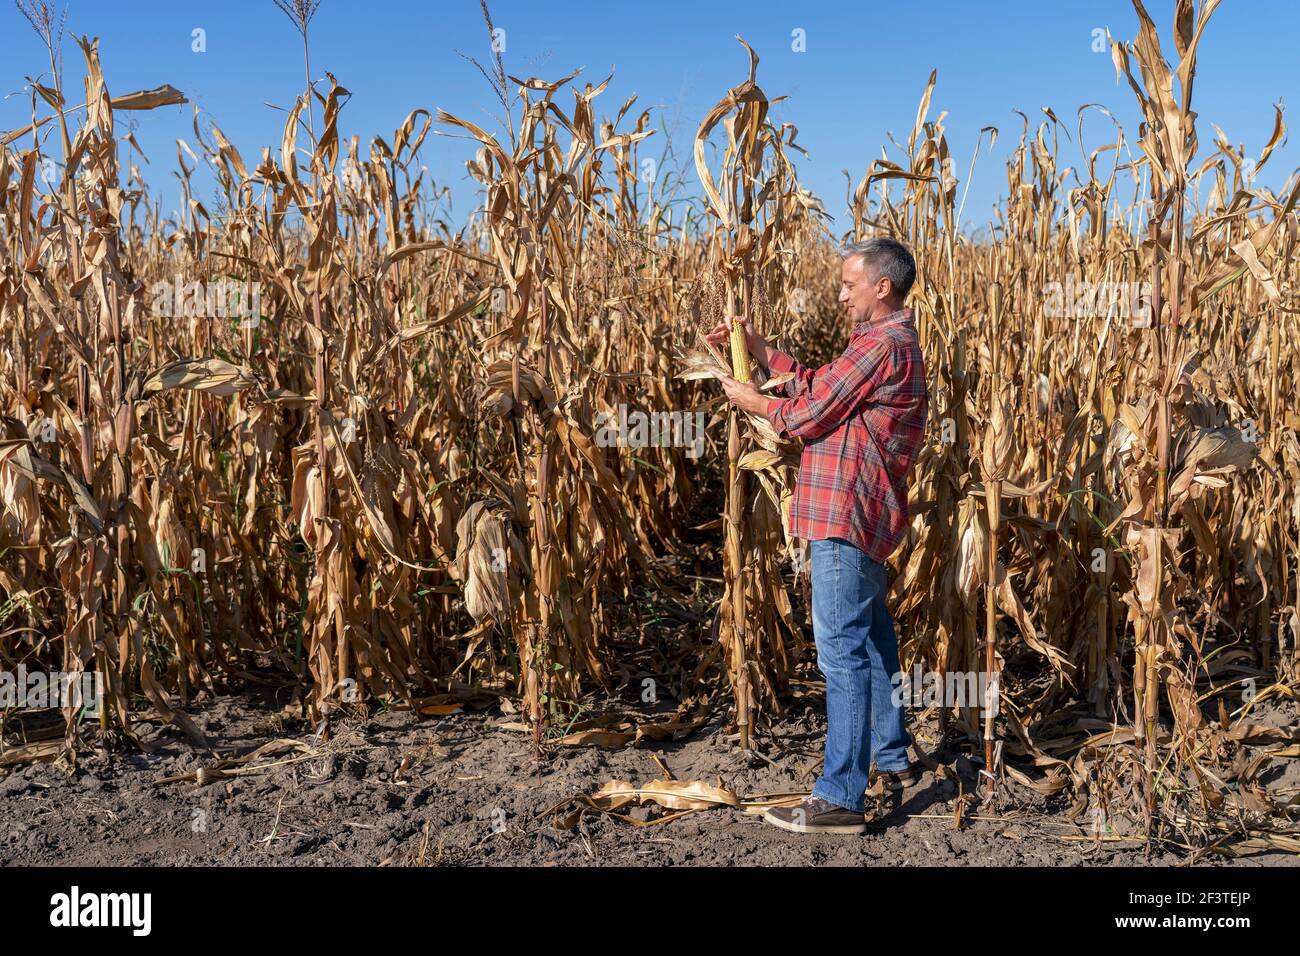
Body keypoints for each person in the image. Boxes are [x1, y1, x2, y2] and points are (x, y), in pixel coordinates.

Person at [709, 236, 929, 834]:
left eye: (848, 285)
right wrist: (759, 350)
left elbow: (809, 412)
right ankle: (891, 755)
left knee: (843, 654)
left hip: (845, 515)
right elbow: (819, 386)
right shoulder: (882, 345)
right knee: (875, 642)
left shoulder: (883, 343)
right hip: (863, 516)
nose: (839, 295)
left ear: (882, 287)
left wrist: (755, 401)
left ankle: (839, 798)